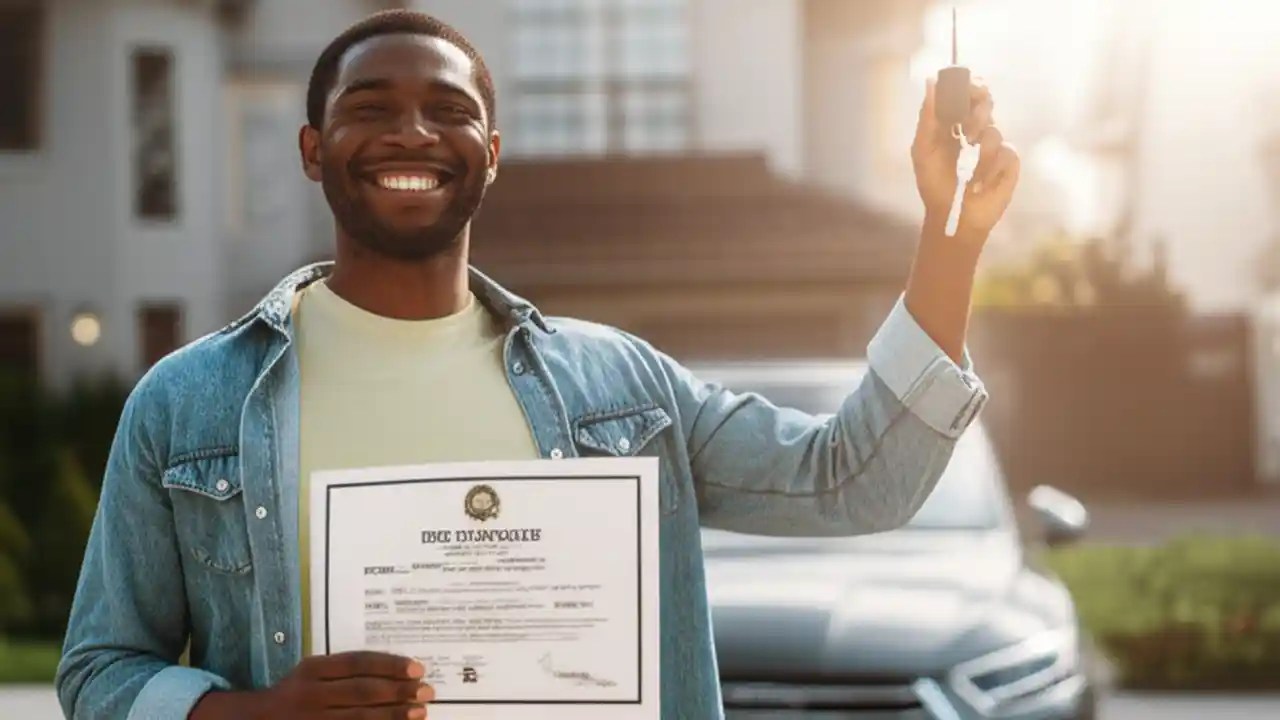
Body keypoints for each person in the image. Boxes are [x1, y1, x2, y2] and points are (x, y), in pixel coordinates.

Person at [55, 9, 1018, 720]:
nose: (413, 133)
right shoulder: (189, 404)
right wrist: (256, 716)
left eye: (448, 109)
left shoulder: (624, 390)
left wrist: (951, 234)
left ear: (493, 152)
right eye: (371, 107)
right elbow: (100, 674)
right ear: (314, 149)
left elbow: (853, 482)